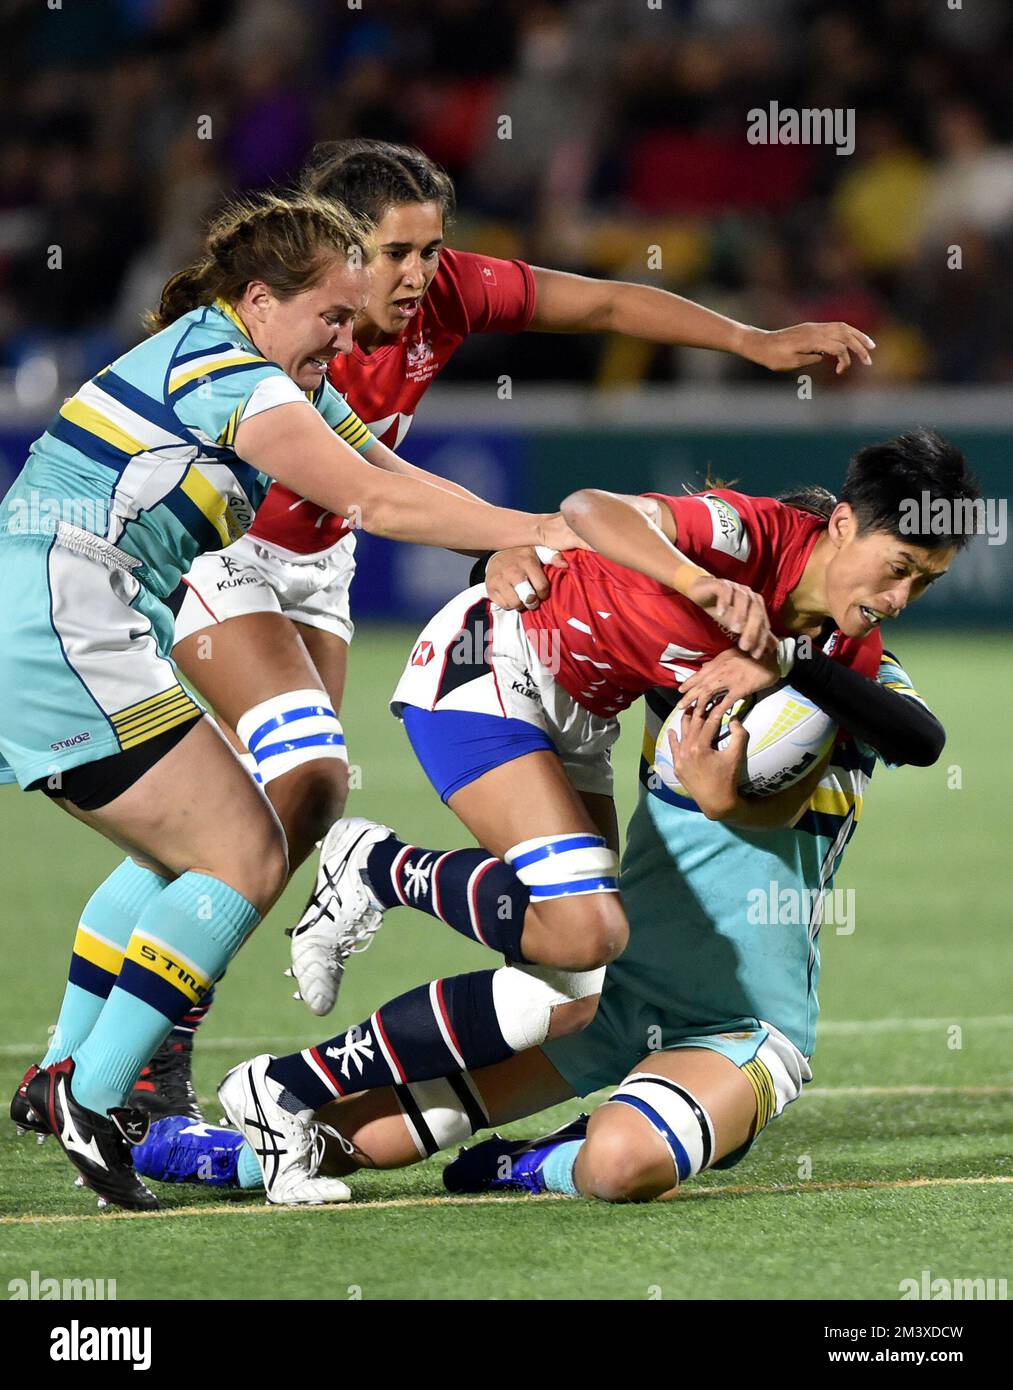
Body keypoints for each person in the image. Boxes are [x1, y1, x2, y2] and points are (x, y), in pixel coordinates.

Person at [144, 137, 876, 1117]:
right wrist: (503, 537)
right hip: (219, 551)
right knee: (298, 786)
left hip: (320, 566)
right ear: (331, 250)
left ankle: (162, 1049)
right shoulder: (268, 330)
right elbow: (376, 491)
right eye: (395, 254)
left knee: (303, 824)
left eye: (431, 250)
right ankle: (151, 1055)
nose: (419, 276)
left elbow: (609, 303)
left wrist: (751, 341)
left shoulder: (446, 297)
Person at [136, 436, 974, 1202]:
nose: (899, 598)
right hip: (619, 996)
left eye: (923, 583)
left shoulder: (858, 683)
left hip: (746, 1021)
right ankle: (228, 1142)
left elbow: (920, 739)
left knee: (617, 1163)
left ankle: (531, 1162)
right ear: (836, 527)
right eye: (896, 568)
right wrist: (504, 559)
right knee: (373, 1136)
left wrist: (784, 672)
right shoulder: (717, 609)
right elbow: (593, 582)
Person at [2, 190, 581, 1210]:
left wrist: (519, 528)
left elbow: (380, 467)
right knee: (246, 851)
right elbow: (376, 502)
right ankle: (95, 1101)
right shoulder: (231, 374)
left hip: (70, 616)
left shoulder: (256, 360)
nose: (348, 334)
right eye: (330, 317)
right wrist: (537, 528)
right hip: (59, 620)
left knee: (196, 843)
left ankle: (67, 1078)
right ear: (260, 298)